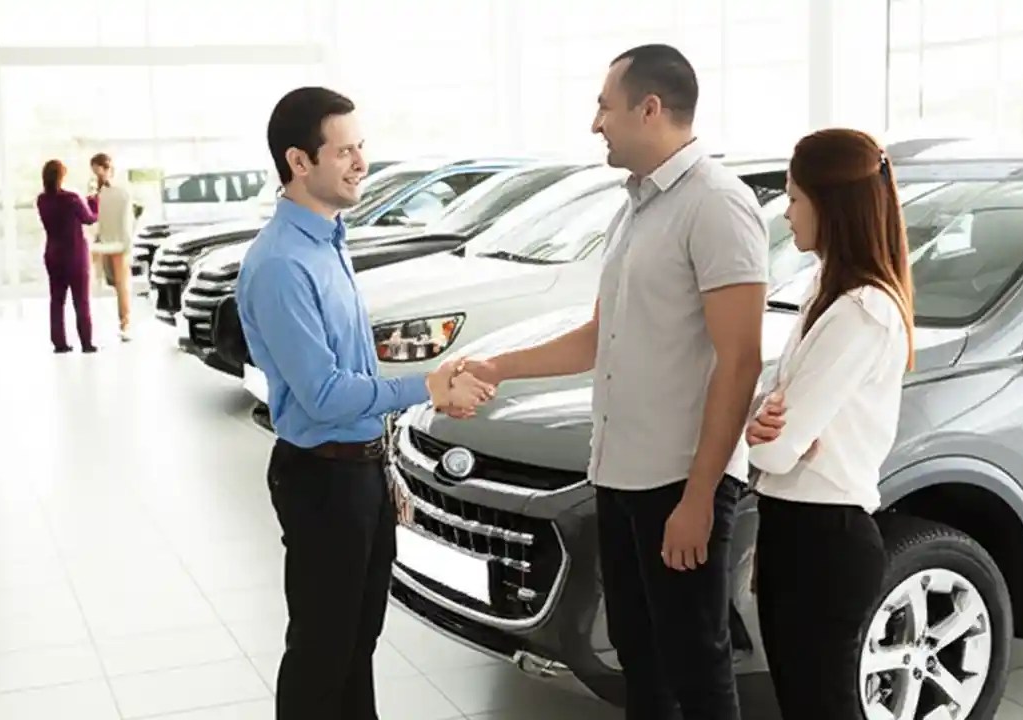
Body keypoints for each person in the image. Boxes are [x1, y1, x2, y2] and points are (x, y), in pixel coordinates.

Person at [451, 44, 767, 720]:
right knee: (638, 654)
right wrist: (497, 367)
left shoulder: (716, 203)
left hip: (680, 482)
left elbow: (741, 360)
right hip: (621, 476)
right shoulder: (637, 206)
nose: (596, 123)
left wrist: (701, 498)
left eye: (604, 107)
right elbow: (601, 336)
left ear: (649, 109)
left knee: (695, 662)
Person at [235, 86, 496, 720]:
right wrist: (428, 386)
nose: (362, 163)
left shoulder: (329, 239)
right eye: (345, 151)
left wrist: (384, 461)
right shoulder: (281, 264)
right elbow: (324, 394)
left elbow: (355, 368)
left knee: (357, 647)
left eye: (362, 147)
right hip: (321, 480)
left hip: (358, 471)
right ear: (299, 162)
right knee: (322, 656)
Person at [744, 129, 913, 720]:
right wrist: (766, 422)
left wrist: (768, 430)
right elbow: (770, 415)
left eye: (794, 198)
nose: (786, 212)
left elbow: (774, 451)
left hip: (824, 538)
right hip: (794, 528)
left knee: (821, 706)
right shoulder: (825, 292)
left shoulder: (862, 312)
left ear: (830, 204)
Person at [36, 159, 98, 353]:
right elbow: (89, 218)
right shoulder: (71, 199)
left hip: (53, 254)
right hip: (75, 255)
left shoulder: (42, 200)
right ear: (62, 176)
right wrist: (93, 202)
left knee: (57, 300)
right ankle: (86, 342)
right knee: (81, 300)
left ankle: (59, 342)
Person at [88, 152, 136, 341]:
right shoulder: (115, 193)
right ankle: (124, 324)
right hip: (112, 244)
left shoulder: (105, 194)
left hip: (109, 244)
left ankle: (120, 325)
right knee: (120, 285)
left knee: (106, 285)